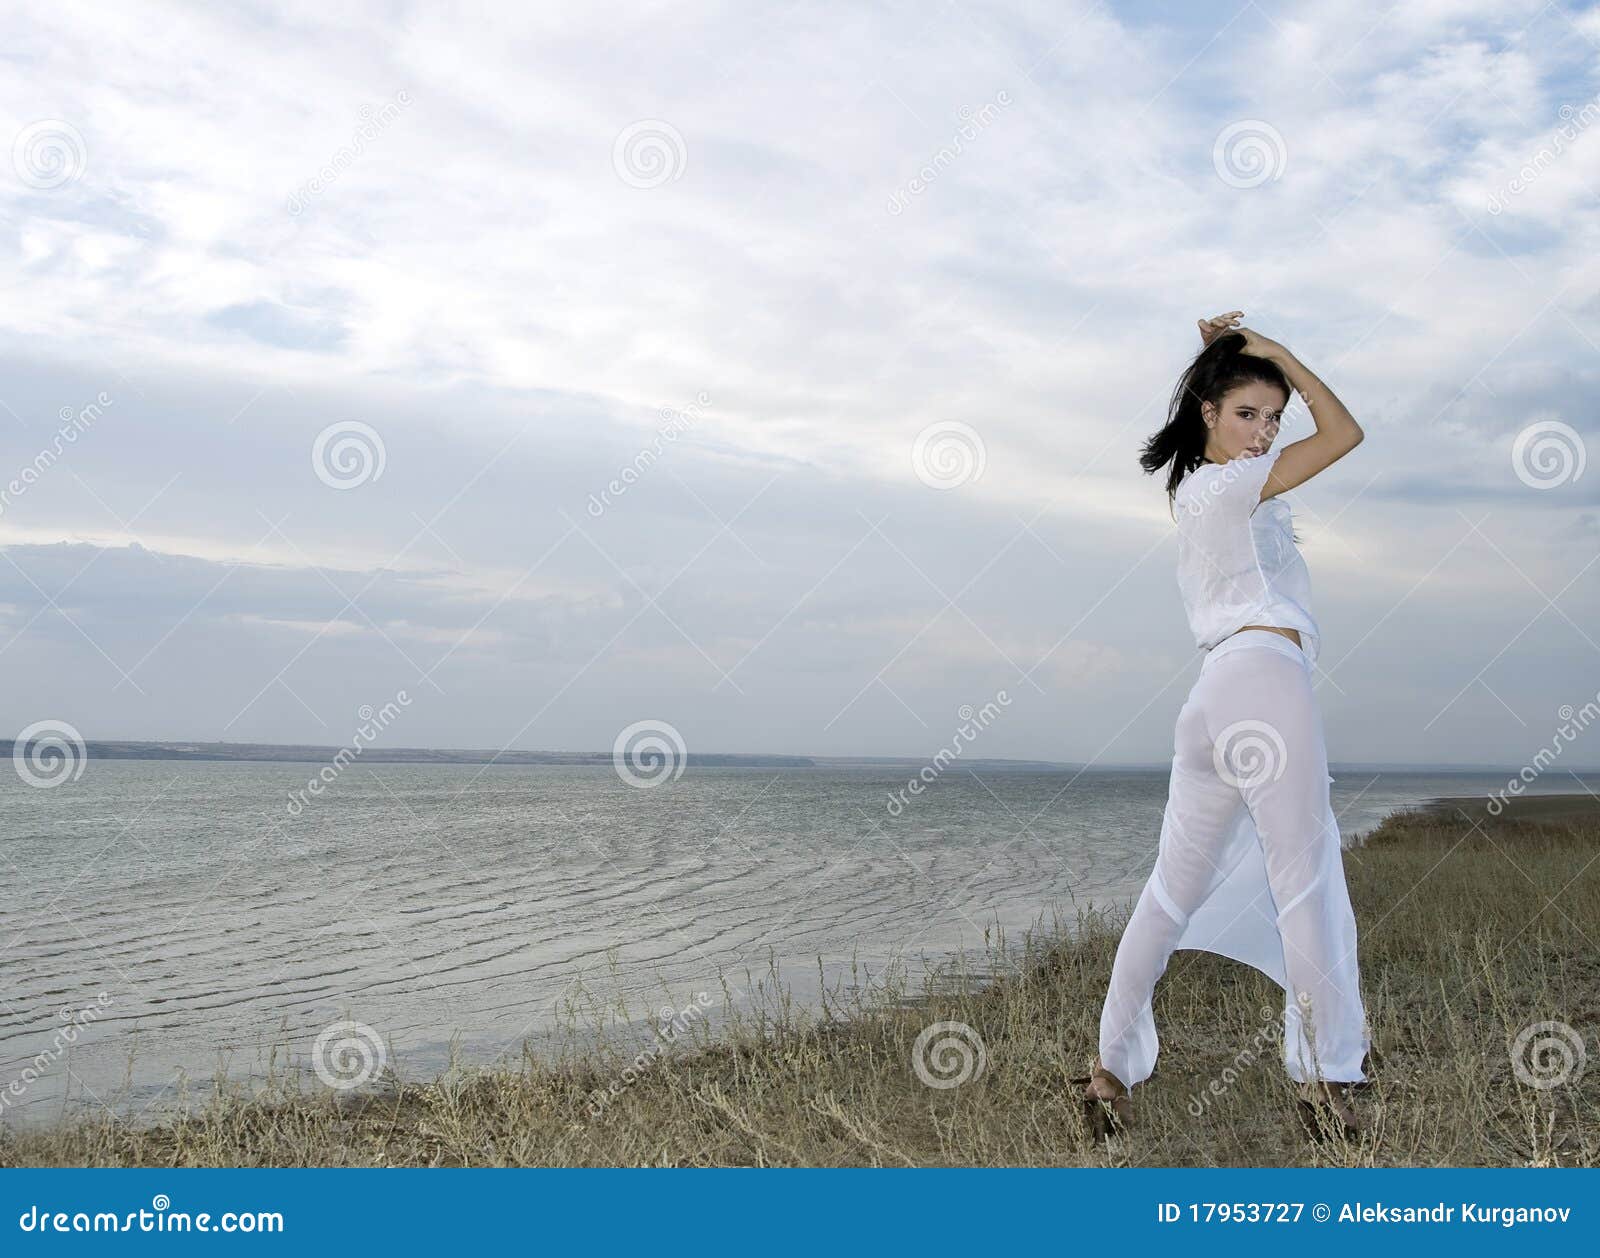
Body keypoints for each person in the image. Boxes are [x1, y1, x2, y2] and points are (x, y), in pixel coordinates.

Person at [1081, 311, 1371, 1142]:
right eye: (1248, 413)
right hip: (1264, 684)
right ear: (1208, 412)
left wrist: (1224, 356)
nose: (1265, 433)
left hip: (1211, 701)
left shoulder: (1202, 493)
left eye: (1273, 419)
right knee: (1306, 878)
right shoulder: (1231, 485)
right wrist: (1278, 352)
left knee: (1171, 893)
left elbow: (1241, 418)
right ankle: (1326, 1080)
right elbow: (1346, 432)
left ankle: (1108, 1072)